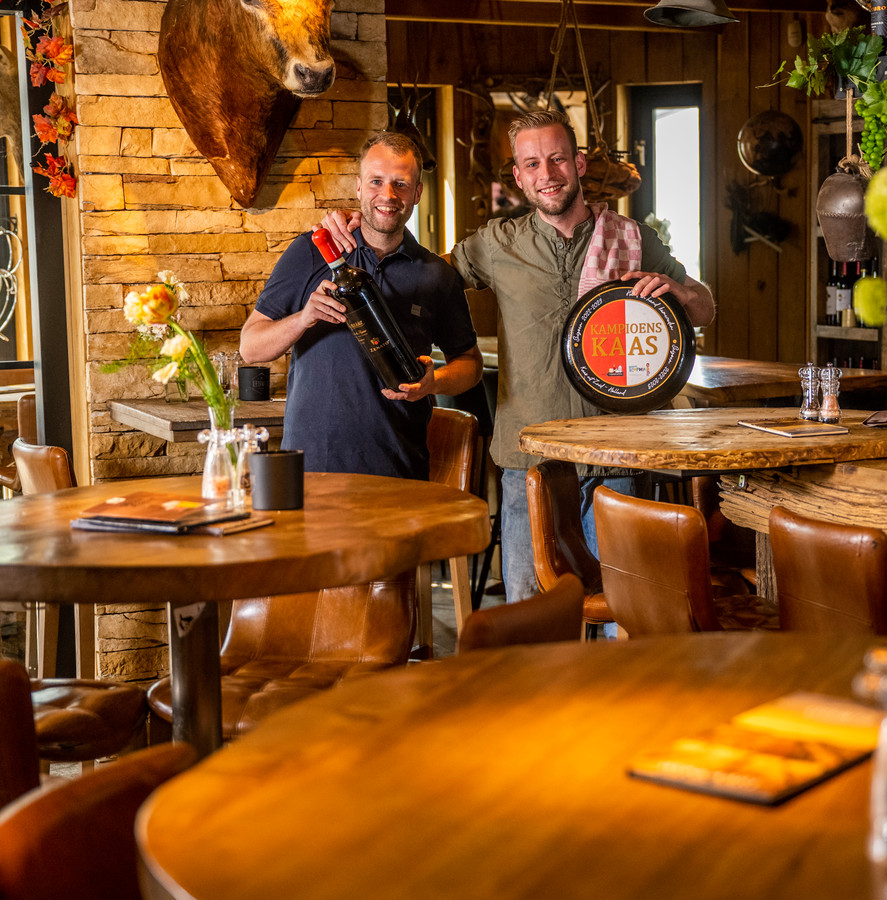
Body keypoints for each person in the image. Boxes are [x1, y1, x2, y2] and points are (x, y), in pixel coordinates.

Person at [320, 108, 715, 603]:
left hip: (617, 455)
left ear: (580, 163)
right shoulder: (495, 243)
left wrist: (677, 290)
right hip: (529, 461)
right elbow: (419, 274)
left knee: (628, 612)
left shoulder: (633, 240)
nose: (546, 174)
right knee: (531, 616)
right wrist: (363, 232)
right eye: (531, 164)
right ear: (518, 176)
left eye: (557, 159)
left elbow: (703, 309)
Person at [240, 132, 483, 479]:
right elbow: (250, 347)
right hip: (313, 470)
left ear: (417, 193)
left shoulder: (436, 275)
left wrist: (434, 383)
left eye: (400, 183)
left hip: (400, 472)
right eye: (376, 181)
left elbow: (470, 364)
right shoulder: (312, 251)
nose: (388, 195)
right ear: (358, 187)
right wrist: (304, 318)